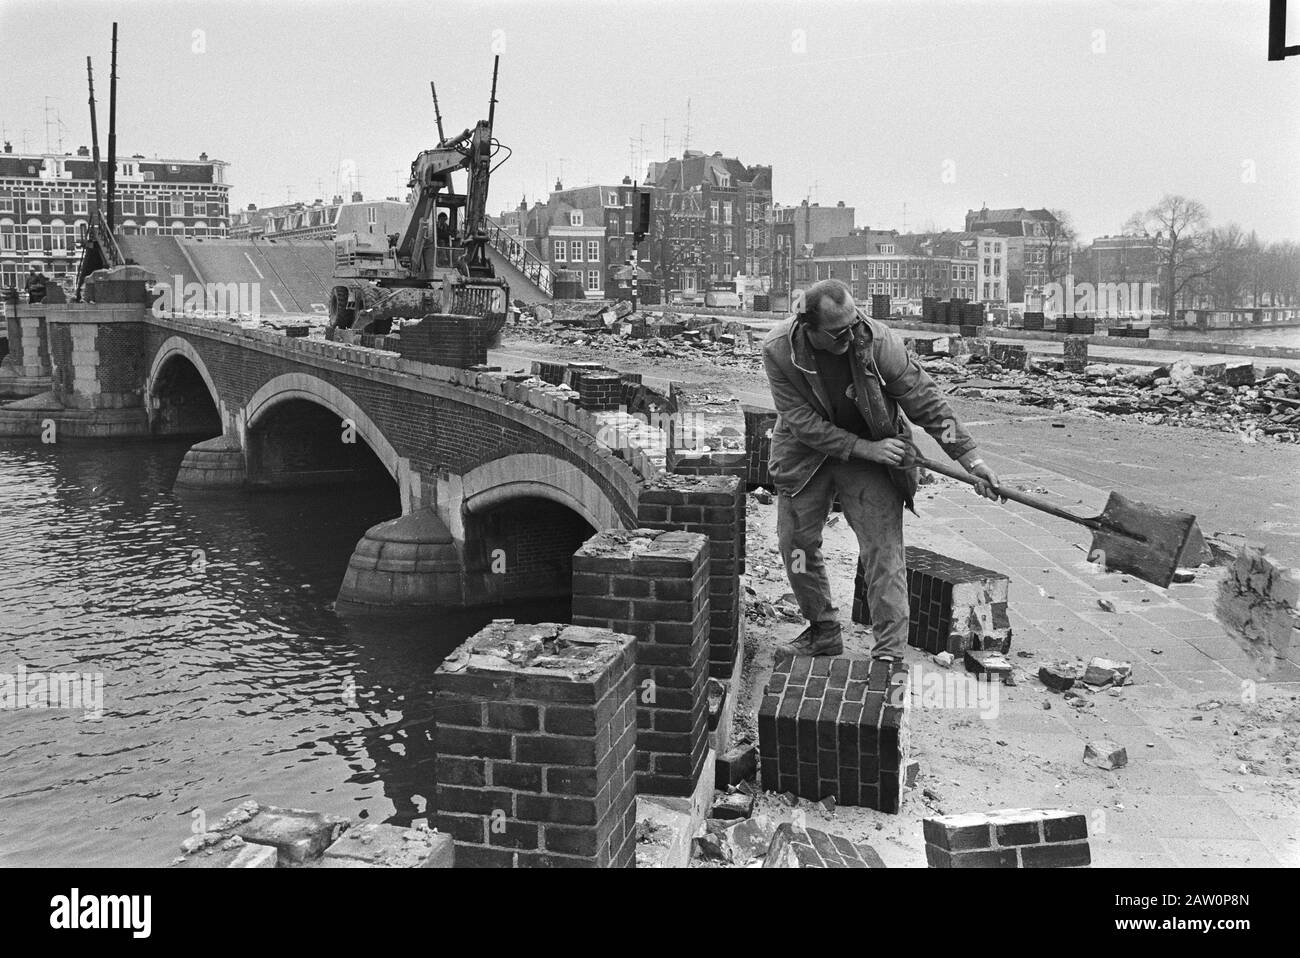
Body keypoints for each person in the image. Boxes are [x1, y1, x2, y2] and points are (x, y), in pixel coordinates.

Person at [762, 279, 1004, 659]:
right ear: (809, 327)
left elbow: (925, 399)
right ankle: (822, 629)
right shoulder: (779, 350)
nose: (852, 334)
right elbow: (799, 421)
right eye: (839, 331)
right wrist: (863, 449)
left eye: (854, 321)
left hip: (875, 446)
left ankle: (889, 650)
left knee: (882, 549)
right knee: (797, 545)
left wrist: (970, 458)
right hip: (807, 454)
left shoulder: (876, 341)